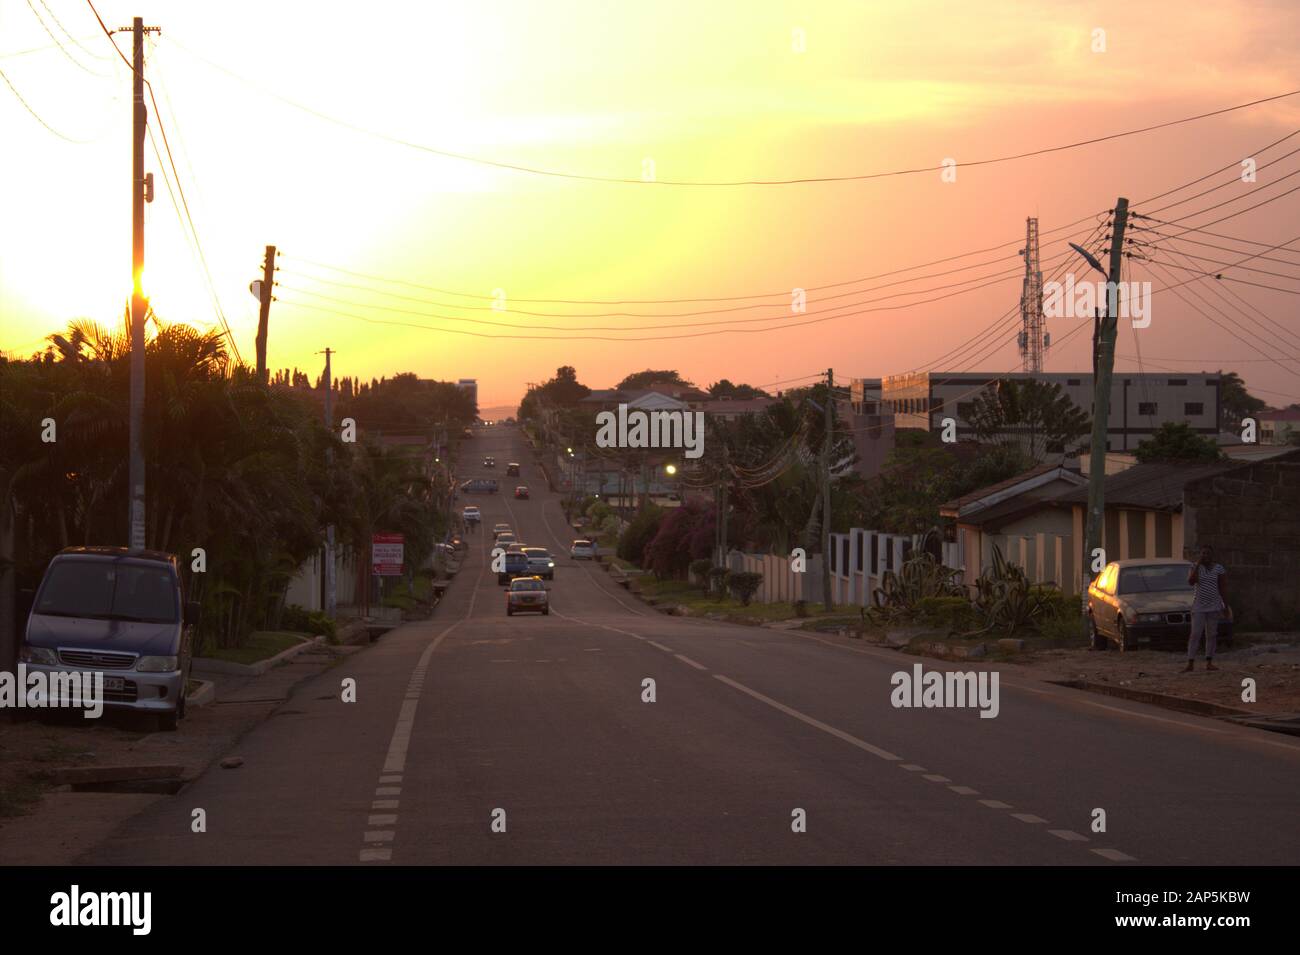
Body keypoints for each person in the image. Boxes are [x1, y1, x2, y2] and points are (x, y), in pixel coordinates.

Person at [1185, 545, 1228, 672]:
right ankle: (1190, 663)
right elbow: (1191, 581)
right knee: (1195, 634)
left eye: (1208, 553)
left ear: (1212, 555)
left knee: (1212, 634)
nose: (1205, 556)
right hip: (1198, 606)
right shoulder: (1195, 567)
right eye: (1203, 553)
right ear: (1200, 555)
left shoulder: (1219, 568)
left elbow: (1223, 588)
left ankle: (1209, 662)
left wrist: (1225, 605)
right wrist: (1198, 565)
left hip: (1214, 605)